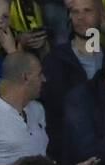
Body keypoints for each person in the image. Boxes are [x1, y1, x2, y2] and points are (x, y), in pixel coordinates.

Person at [41, 0, 101, 156]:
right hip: (69, 152)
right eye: (75, 12)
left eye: (87, 10)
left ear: (100, 14)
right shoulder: (55, 60)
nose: (81, 17)